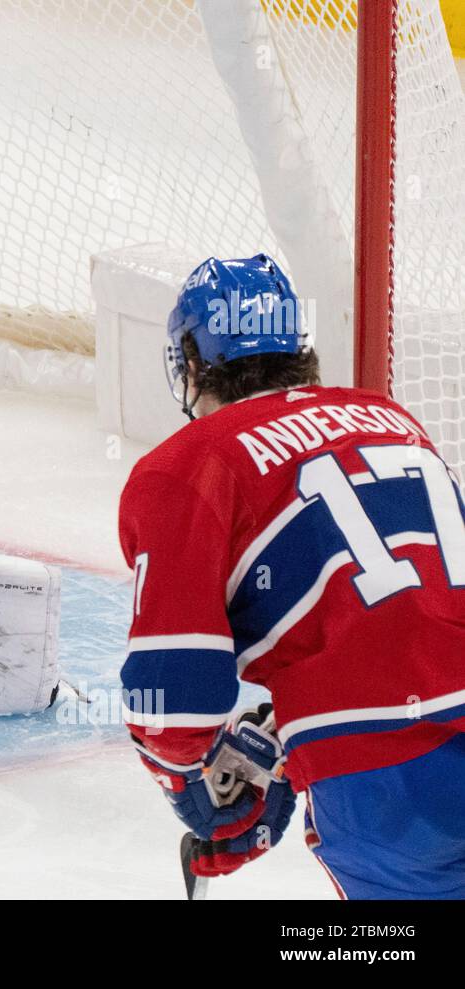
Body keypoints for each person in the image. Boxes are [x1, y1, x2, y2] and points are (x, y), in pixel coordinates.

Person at [118, 254, 465, 898]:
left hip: (389, 786)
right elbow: (413, 611)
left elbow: (173, 700)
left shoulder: (188, 465)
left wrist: (195, 785)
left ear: (191, 362)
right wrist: (283, 738)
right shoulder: (394, 422)